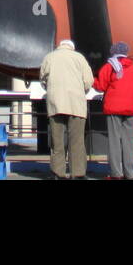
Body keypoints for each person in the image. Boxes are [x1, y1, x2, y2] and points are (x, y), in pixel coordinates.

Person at [38, 39, 94, 179]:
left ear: (59, 46)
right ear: (72, 47)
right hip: (76, 104)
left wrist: (50, 88)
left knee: (57, 142)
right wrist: (82, 90)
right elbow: (88, 81)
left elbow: (43, 79)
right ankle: (78, 173)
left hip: (55, 104)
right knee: (77, 141)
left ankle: (58, 173)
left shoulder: (49, 57)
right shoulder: (79, 58)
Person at [92, 41, 133, 179]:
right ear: (126, 53)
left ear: (113, 52)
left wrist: (92, 80)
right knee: (129, 142)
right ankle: (129, 173)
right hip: (131, 109)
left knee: (114, 141)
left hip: (113, 108)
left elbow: (101, 86)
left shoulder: (109, 67)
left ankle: (116, 173)